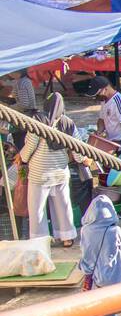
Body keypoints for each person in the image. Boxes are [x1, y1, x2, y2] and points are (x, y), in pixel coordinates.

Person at [16, 93, 78, 247]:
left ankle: (40, 241)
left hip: (40, 173)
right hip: (60, 172)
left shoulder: (39, 121)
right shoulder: (68, 123)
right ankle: (67, 237)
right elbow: (78, 148)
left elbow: (30, 146)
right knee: (63, 206)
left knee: (37, 209)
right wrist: (83, 160)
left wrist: (21, 158)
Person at [78, 193, 121, 316]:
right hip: (114, 274)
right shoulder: (113, 230)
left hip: (97, 275)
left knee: (109, 305)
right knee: (111, 308)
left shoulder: (85, 230)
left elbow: (85, 255)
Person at [91, 76, 121, 219]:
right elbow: (101, 120)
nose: (98, 97)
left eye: (98, 93)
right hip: (114, 143)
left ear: (105, 88)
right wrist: (99, 131)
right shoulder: (105, 102)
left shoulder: (119, 101)